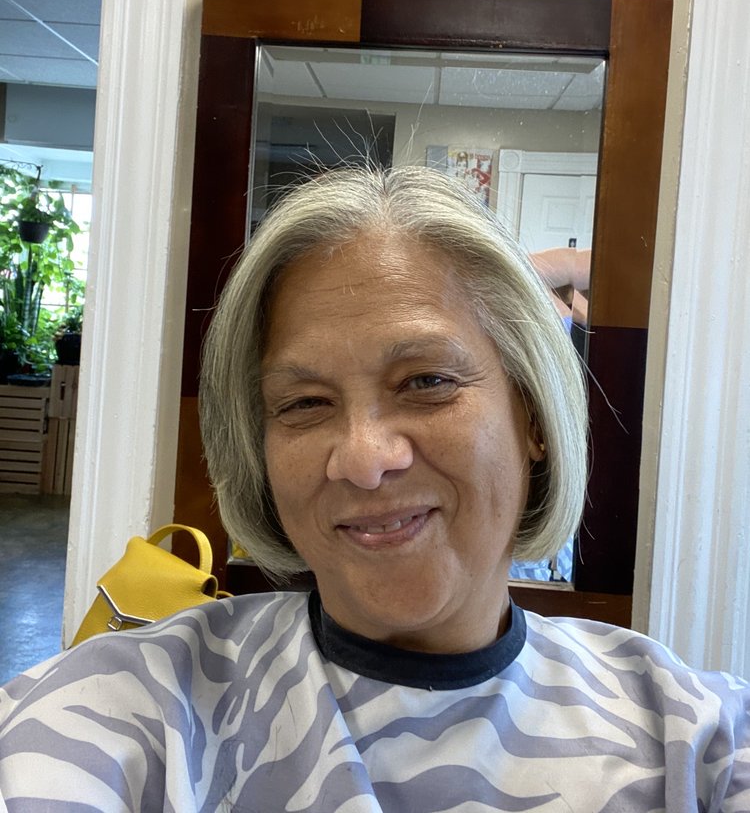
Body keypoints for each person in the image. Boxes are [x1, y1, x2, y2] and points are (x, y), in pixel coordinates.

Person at [0, 166, 748, 811]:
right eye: (305, 403)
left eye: (426, 381)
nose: (364, 460)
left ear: (532, 416)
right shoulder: (128, 712)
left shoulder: (690, 740)